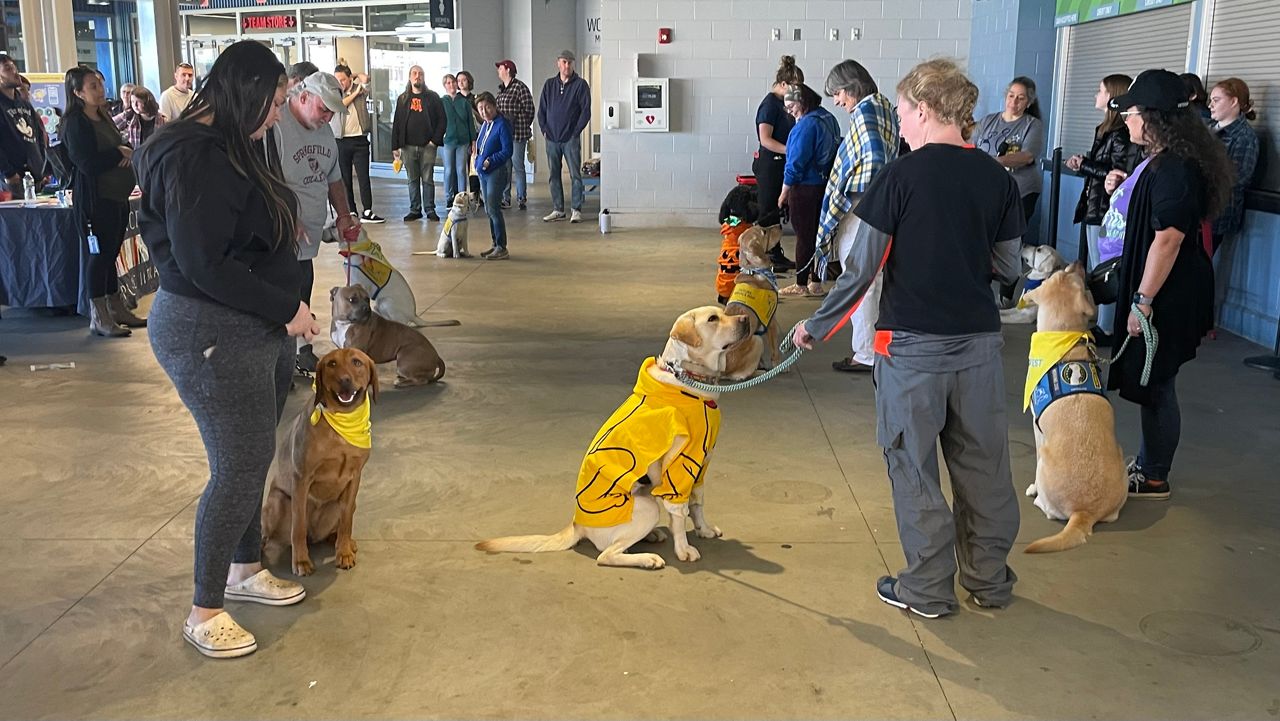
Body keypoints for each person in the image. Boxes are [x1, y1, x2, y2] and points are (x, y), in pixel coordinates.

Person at [791, 59, 1025, 617]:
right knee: (985, 468)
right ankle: (989, 581)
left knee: (914, 469)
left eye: (901, 110)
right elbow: (1010, 267)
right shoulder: (998, 178)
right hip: (979, 352)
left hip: (910, 353)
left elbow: (860, 269)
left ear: (923, 110)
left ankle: (925, 589)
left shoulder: (897, 178)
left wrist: (815, 326)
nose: (898, 121)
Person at [135, 40, 320, 659]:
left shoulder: (235, 141)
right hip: (209, 332)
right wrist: (287, 308)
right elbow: (203, 264)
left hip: (251, 330)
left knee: (252, 454)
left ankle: (244, 569)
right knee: (239, 467)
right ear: (244, 93)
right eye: (271, 102)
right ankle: (204, 605)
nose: (277, 114)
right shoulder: (195, 154)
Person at [1100, 69, 1233, 500]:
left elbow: (1169, 238)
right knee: (1154, 379)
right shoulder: (1166, 161)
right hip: (1166, 287)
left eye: (1134, 113)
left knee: (1157, 382)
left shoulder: (1175, 168)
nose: (1129, 121)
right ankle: (1150, 462)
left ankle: (1155, 475)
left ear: (1155, 117)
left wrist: (1143, 301)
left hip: (1170, 292)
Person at [814, 59, 900, 374]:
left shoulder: (865, 112)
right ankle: (873, 349)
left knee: (860, 278)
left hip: (861, 207)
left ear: (851, 88)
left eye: (837, 94)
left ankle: (866, 353)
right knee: (873, 278)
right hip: (875, 207)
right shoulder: (885, 108)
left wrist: (855, 191)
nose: (837, 101)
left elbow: (875, 158)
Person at [275, 71, 359, 373]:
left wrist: (344, 215)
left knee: (303, 287)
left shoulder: (324, 131)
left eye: (332, 112)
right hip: (281, 233)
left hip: (308, 237)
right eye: (324, 109)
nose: (327, 117)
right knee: (285, 293)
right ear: (303, 96)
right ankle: (288, 352)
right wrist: (287, 216)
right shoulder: (277, 125)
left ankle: (300, 347)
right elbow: (264, 179)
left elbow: (334, 179)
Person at [61, 66, 145, 338]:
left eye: (99, 84)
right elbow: (85, 162)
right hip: (97, 200)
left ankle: (115, 306)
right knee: (99, 256)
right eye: (92, 86)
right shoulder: (76, 122)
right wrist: (116, 154)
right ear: (78, 93)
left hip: (117, 197)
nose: (99, 90)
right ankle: (99, 314)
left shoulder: (104, 116)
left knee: (111, 254)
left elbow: (122, 142)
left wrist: (125, 150)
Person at [1065, 73, 1142, 339]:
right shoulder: (1104, 130)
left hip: (1108, 209)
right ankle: (1102, 320)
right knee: (1097, 266)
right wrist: (1084, 163)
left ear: (1113, 97)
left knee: (1106, 269)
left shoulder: (1121, 134)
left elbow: (1118, 171)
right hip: (1094, 203)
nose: (1096, 96)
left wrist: (1085, 165)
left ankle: (1108, 326)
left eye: (1100, 91)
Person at [975, 76, 1044, 302]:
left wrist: (996, 160)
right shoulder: (988, 121)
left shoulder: (1031, 125)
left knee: (1011, 241)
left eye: (1020, 98)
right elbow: (972, 146)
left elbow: (1027, 156)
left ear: (1028, 102)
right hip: (988, 191)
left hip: (1020, 191)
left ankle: (1006, 294)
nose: (1014, 102)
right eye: (1011, 96)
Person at [777, 83, 839, 298]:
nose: (789, 110)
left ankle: (801, 284)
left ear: (803, 102)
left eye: (792, 105)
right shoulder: (828, 118)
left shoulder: (805, 127)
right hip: (824, 186)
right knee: (820, 235)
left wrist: (784, 191)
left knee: (804, 237)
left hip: (804, 189)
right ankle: (817, 281)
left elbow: (795, 163)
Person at [1207, 77, 1259, 325]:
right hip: (1198, 209)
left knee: (1209, 268)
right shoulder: (1209, 130)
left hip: (1219, 212)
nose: (1211, 105)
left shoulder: (1244, 137)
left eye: (1217, 100)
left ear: (1235, 102)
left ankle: (1205, 319)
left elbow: (1238, 177)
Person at [753, 55, 805, 270]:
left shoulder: (785, 103)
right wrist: (790, 151)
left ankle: (775, 253)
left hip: (782, 162)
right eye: (794, 87)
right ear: (783, 84)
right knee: (768, 212)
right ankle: (767, 255)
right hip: (770, 163)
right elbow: (765, 139)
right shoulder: (769, 106)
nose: (797, 92)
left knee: (777, 209)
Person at [536, 49, 591, 223]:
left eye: (569, 62)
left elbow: (585, 111)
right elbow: (542, 111)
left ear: (573, 64)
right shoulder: (549, 85)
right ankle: (558, 209)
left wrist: (575, 132)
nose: (566, 65)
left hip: (570, 139)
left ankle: (576, 209)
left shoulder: (580, 85)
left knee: (575, 174)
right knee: (554, 174)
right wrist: (544, 129)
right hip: (551, 138)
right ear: (558, 63)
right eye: (563, 62)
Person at [391, 65, 446, 222]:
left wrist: (434, 141)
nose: (417, 76)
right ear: (409, 77)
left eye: (420, 74)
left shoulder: (433, 97)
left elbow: (442, 120)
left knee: (428, 179)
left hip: (428, 146)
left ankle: (430, 209)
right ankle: (415, 209)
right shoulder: (403, 99)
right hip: (407, 146)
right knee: (412, 179)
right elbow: (397, 124)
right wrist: (395, 146)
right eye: (414, 73)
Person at [331, 64, 384, 223]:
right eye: (337, 80)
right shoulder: (335, 92)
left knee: (363, 177)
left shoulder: (360, 89)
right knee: (345, 178)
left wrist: (354, 75)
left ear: (349, 78)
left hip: (360, 140)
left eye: (343, 79)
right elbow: (341, 105)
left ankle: (367, 210)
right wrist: (354, 93)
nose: (340, 83)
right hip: (341, 140)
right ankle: (351, 210)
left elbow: (365, 79)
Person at [0, 53, 47, 197]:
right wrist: (8, 172)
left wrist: (44, 167)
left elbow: (38, 136)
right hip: (13, 176)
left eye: (14, 67)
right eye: (8, 69)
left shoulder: (24, 104)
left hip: (35, 174)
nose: (15, 72)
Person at [474, 91, 513, 260]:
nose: (484, 111)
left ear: (494, 106)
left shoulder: (501, 124)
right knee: (489, 210)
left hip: (496, 172)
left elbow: (507, 151)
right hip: (483, 172)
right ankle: (494, 243)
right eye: (481, 108)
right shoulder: (485, 125)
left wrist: (490, 161)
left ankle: (502, 246)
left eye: (487, 107)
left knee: (494, 209)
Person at [495, 59, 534, 210]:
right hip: (504, 134)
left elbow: (529, 108)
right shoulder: (501, 89)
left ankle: (521, 197)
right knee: (506, 166)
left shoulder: (520, 87)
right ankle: (506, 198)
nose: (498, 71)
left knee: (518, 165)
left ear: (508, 70)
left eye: (500, 68)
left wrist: (522, 123)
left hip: (518, 133)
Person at [441, 73, 476, 208]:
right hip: (448, 141)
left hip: (463, 140)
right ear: (445, 86)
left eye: (453, 82)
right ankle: (449, 197)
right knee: (449, 170)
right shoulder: (442, 101)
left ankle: (462, 197)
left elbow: (470, 123)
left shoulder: (464, 103)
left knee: (461, 170)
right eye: (448, 83)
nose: (452, 85)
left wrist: (473, 141)